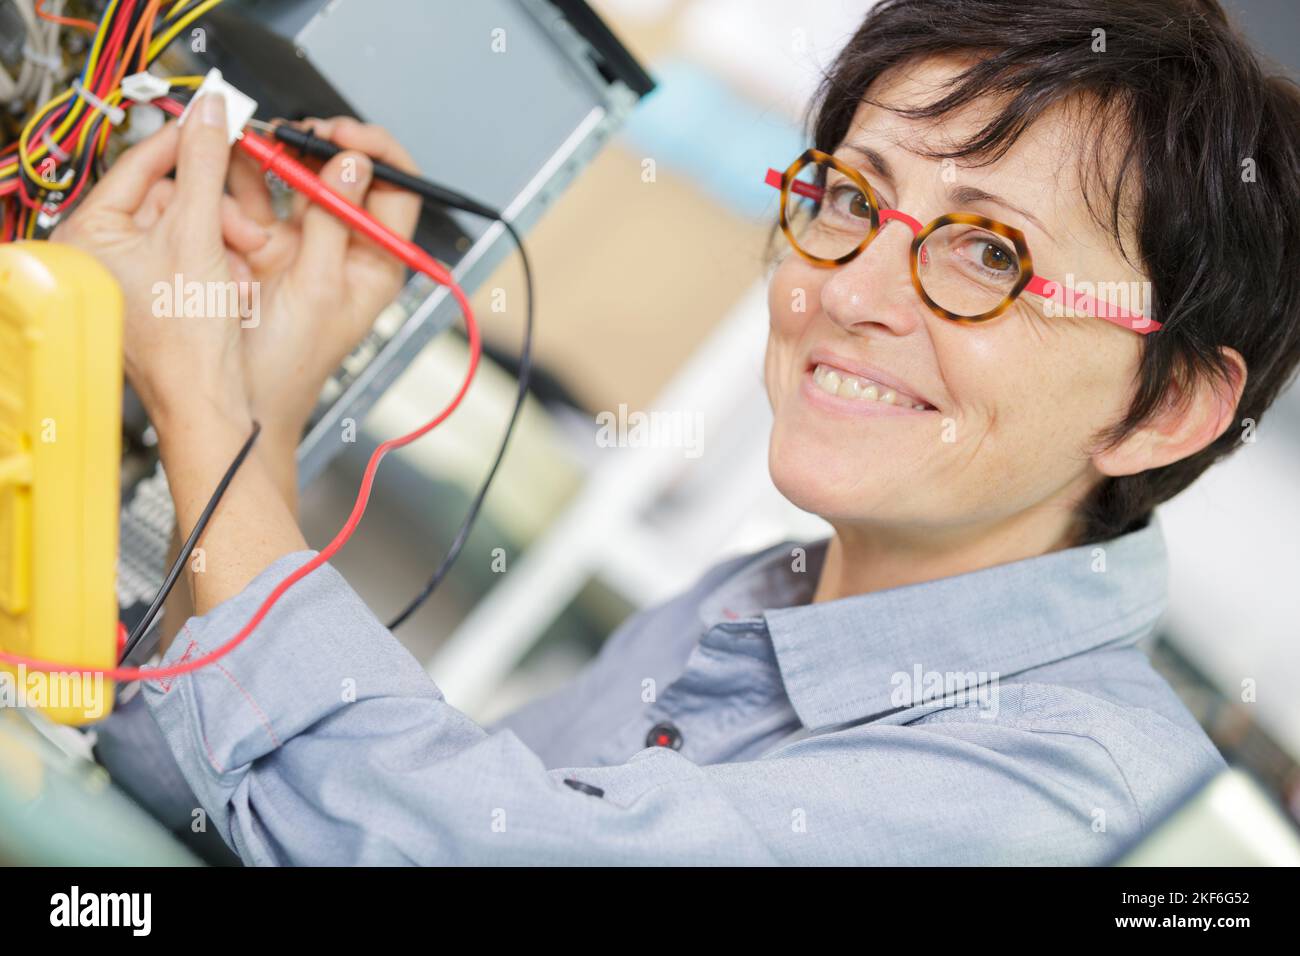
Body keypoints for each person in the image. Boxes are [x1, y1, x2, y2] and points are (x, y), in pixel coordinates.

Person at [84, 0, 1300, 864]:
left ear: (1162, 404)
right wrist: (257, 397)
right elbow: (314, 814)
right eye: (852, 199)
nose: (852, 289)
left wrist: (213, 408)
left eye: (990, 253)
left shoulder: (1073, 796)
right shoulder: (765, 599)